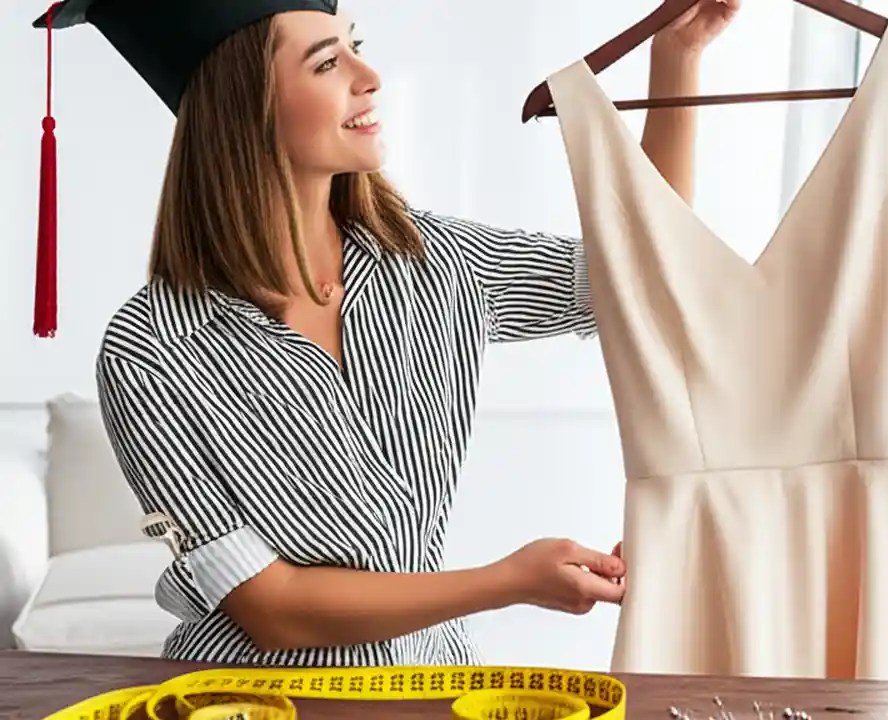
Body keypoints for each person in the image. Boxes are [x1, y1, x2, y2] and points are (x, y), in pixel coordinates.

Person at [45, 0, 742, 666]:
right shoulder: (151, 348)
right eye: (326, 64)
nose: (369, 77)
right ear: (244, 108)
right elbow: (270, 608)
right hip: (248, 697)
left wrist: (676, 60)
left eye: (358, 49)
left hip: (429, 685)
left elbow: (639, 277)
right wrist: (509, 581)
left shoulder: (434, 263)